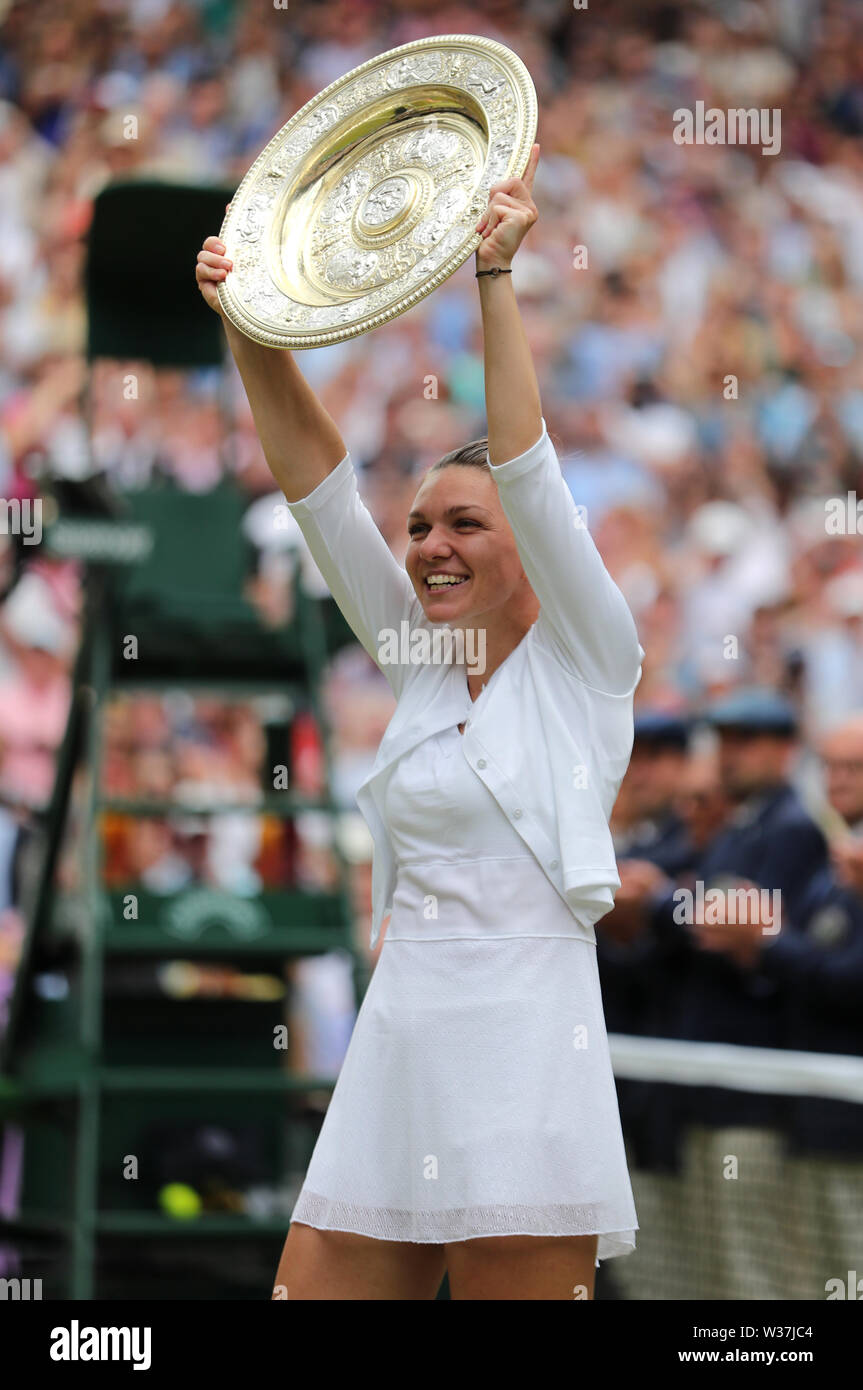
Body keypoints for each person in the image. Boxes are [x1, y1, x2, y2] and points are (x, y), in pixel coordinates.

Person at [195, 144, 645, 1300]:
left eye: (464, 525)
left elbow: (532, 470)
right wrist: (249, 321)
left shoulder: (591, 656)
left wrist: (493, 277)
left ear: (529, 549)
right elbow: (317, 493)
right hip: (401, 1038)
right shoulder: (418, 660)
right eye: (421, 528)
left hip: (531, 1046)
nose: (430, 547)